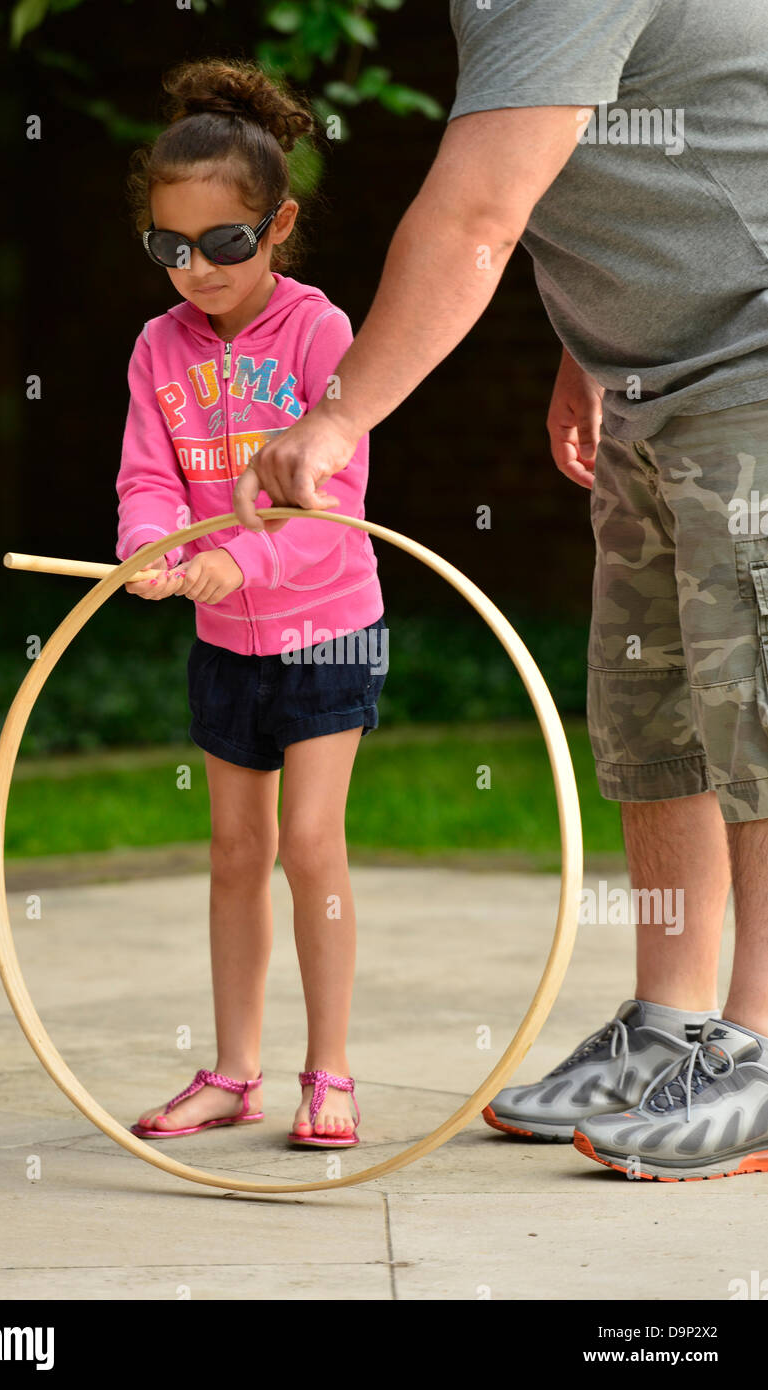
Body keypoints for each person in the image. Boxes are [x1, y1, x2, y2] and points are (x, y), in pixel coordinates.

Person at [230, 0, 768, 1180]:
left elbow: (478, 210)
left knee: (756, 711)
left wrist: (338, 416)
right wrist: (590, 342)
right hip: (656, 377)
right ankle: (669, 1025)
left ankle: (759, 1044)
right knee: (657, 713)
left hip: (751, 368)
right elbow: (622, 144)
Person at [115, 58, 388, 1148]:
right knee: (236, 849)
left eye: (223, 244)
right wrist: (150, 550)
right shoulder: (155, 347)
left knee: (310, 842)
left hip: (325, 628)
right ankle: (235, 1070)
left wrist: (244, 561)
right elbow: (145, 478)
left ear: (275, 227)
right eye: (168, 249)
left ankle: (332, 1068)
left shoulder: (323, 334)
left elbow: (340, 504)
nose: (197, 272)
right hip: (222, 639)